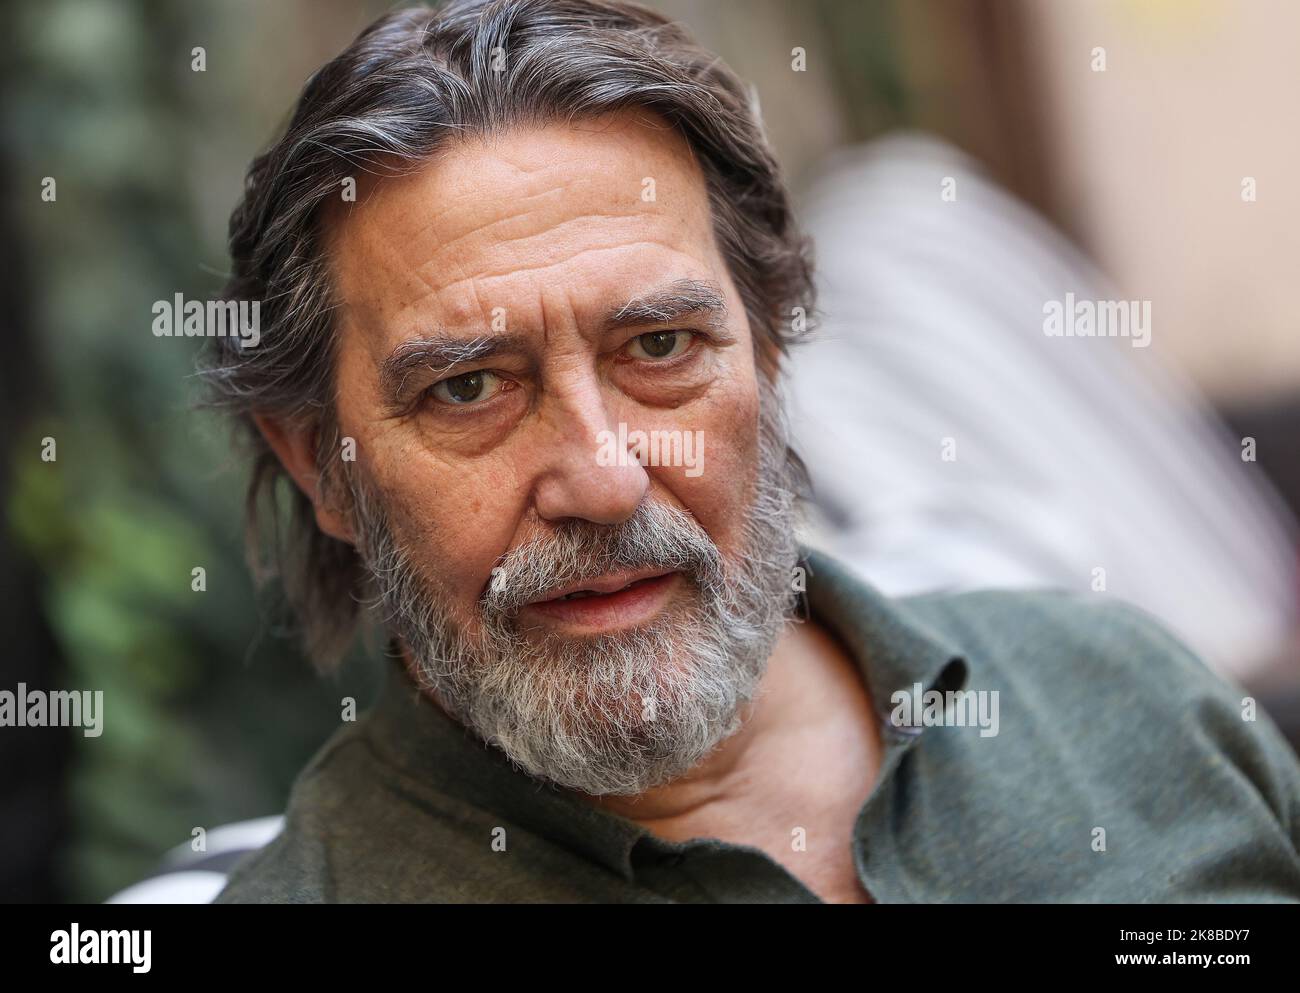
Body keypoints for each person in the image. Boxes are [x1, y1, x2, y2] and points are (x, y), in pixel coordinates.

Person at [207, 0, 1300, 903]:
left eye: (661, 346)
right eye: (468, 387)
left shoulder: (1130, 697)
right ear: (322, 466)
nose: (602, 477)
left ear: (770, 355)